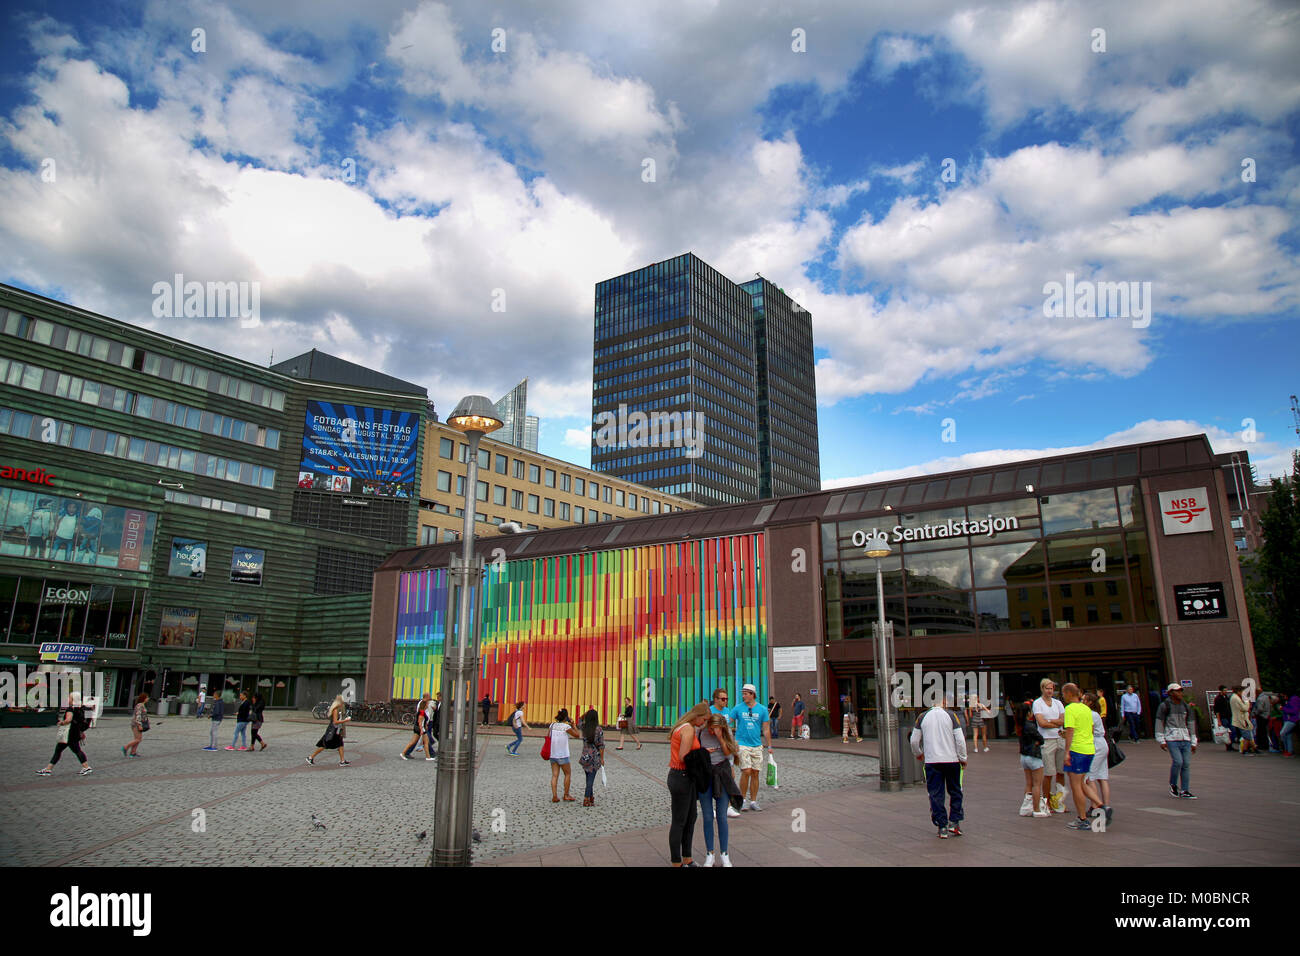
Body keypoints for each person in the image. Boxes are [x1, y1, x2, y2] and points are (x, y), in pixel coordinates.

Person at [910, 693, 967, 838]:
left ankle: (941, 826)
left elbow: (914, 741)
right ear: (943, 701)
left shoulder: (922, 717)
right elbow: (960, 739)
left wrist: (919, 753)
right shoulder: (951, 716)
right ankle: (954, 822)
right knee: (955, 790)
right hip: (952, 760)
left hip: (932, 761)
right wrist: (963, 758)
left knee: (936, 793)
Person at [667, 702, 710, 866]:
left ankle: (687, 858)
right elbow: (684, 755)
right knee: (680, 820)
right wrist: (703, 754)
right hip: (682, 776)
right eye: (704, 720)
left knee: (691, 817)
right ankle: (677, 861)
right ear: (697, 716)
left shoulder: (683, 726)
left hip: (683, 777)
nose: (704, 724)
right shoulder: (688, 729)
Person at [1060, 683, 1104, 832]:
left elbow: (1070, 730)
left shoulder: (1070, 709)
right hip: (1089, 749)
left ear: (1068, 693)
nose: (1063, 696)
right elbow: (1090, 728)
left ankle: (1082, 819)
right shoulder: (1086, 709)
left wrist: (1067, 752)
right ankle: (1100, 805)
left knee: (1076, 786)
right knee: (1082, 782)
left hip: (1076, 750)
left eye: (1063, 693)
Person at [698, 713, 740, 866]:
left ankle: (724, 853)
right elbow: (694, 753)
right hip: (705, 775)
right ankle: (710, 853)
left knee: (722, 816)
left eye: (715, 729)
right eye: (711, 729)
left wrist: (721, 737)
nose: (712, 732)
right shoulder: (700, 732)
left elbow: (729, 753)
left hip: (722, 775)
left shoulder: (725, 732)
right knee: (708, 816)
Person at [731, 683, 772, 811]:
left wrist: (769, 745)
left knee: (755, 772)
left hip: (757, 745)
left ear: (752, 694)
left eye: (746, 693)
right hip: (742, 744)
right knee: (746, 771)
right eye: (743, 693)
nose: (744, 696)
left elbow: (766, 729)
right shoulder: (738, 708)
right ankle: (742, 799)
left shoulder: (762, 709)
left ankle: (753, 801)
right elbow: (727, 721)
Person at [1155, 682, 1198, 798]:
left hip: (1185, 738)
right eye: (1177, 691)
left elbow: (1191, 723)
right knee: (1178, 762)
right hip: (1172, 738)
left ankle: (1185, 790)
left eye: (1180, 691)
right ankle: (1173, 784)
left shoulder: (1186, 706)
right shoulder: (1165, 706)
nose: (1180, 693)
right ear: (1170, 693)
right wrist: (1161, 740)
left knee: (1186, 764)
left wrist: (1193, 741)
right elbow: (1159, 722)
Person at [1031, 678, 1067, 814]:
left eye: (1052, 688)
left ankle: (1059, 800)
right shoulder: (1037, 703)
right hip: (1047, 740)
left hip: (1060, 738)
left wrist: (1050, 721)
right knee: (1048, 773)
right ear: (1042, 689)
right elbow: (1041, 723)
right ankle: (1046, 801)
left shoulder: (1058, 703)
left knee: (1061, 772)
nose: (1050, 691)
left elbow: (1064, 720)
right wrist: (1056, 723)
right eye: (1047, 688)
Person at [37, 691, 93, 776]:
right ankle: (48, 769)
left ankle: (86, 767)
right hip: (75, 732)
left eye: (69, 698)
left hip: (69, 733)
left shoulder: (71, 709)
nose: (68, 699)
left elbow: (69, 720)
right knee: (69, 750)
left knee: (65, 750)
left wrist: (61, 723)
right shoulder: (81, 708)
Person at [1016, 701, 1049, 817]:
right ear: (1028, 712)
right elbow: (1041, 739)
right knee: (1037, 784)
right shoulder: (1030, 725)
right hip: (1034, 756)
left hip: (1024, 756)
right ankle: (1036, 809)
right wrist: (1038, 741)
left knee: (1029, 783)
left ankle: (1026, 807)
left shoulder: (1019, 725)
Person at [1084, 692, 1112, 826]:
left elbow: (1089, 730)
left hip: (1095, 744)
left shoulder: (1090, 714)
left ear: (1090, 702)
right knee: (1103, 777)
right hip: (1102, 743)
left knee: (1090, 777)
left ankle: (1096, 806)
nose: (1082, 701)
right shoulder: (1096, 714)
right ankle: (1106, 805)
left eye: (1084, 699)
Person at [547, 709, 582, 802]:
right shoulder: (566, 727)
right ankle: (566, 795)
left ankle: (554, 796)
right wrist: (574, 725)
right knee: (567, 774)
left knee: (554, 775)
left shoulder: (552, 725)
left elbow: (548, 737)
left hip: (553, 754)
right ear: (566, 717)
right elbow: (577, 735)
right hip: (563, 754)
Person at [307, 695, 351, 765]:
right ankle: (310, 757)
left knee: (340, 744)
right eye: (342, 701)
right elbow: (335, 722)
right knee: (325, 745)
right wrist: (345, 720)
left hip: (337, 730)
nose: (343, 703)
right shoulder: (335, 710)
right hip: (333, 731)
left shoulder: (339, 709)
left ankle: (342, 761)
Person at [578, 709, 606, 806]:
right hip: (594, 757)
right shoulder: (599, 729)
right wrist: (602, 759)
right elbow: (601, 745)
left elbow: (579, 720)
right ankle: (586, 798)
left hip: (585, 756)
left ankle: (591, 797)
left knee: (588, 777)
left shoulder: (584, 727)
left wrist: (584, 714)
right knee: (591, 779)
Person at [400, 692, 431, 759]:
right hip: (420, 729)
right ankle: (403, 753)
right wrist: (422, 730)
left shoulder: (422, 711)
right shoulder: (422, 712)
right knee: (415, 742)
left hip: (420, 728)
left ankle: (428, 757)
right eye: (427, 704)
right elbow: (420, 722)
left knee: (424, 742)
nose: (428, 705)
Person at [1230, 685, 1257, 755]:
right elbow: (1245, 708)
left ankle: (1254, 748)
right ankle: (1245, 750)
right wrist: (1247, 703)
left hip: (1240, 718)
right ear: (1239, 691)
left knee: (1247, 735)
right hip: (1241, 719)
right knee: (1247, 735)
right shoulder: (1236, 698)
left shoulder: (1234, 697)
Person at [123, 692, 148, 757]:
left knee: (137, 739)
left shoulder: (142, 705)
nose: (147, 699)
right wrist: (139, 725)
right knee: (138, 739)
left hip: (138, 723)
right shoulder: (140, 705)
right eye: (146, 697)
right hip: (136, 724)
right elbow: (138, 715)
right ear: (144, 698)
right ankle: (126, 747)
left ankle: (133, 752)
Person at [1212, 685, 1233, 750]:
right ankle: (1228, 745)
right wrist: (1219, 721)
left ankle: (1230, 744)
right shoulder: (1218, 699)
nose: (1226, 691)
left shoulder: (1226, 697)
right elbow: (1217, 710)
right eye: (1224, 690)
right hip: (1223, 717)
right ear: (1221, 691)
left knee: (1230, 731)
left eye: (1226, 690)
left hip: (1229, 716)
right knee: (1225, 731)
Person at [1280, 691, 1299, 757]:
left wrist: (1283, 708)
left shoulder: (1293, 700)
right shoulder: (1291, 700)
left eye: (1284, 696)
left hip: (1291, 720)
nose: (1284, 697)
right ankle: (1289, 751)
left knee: (1282, 733)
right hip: (1288, 719)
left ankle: (1287, 749)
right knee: (1288, 736)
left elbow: (1294, 711)